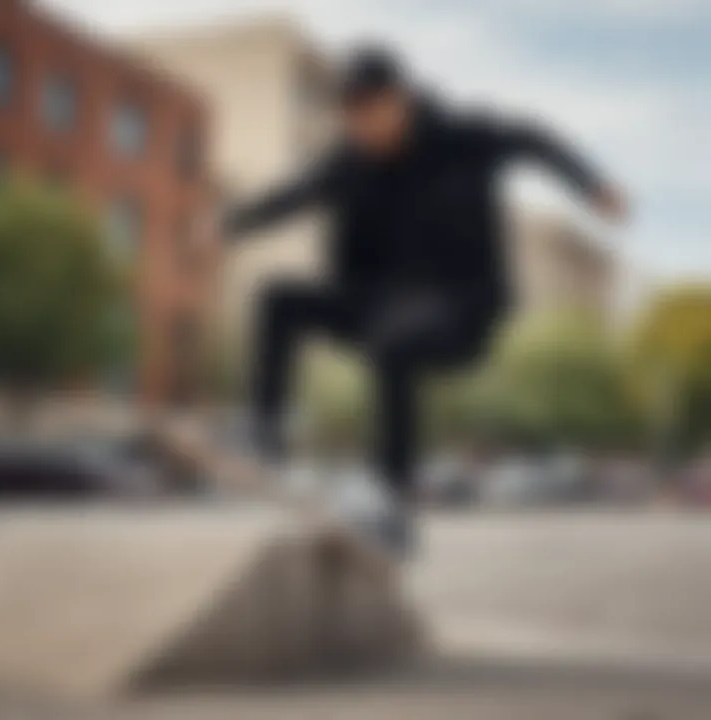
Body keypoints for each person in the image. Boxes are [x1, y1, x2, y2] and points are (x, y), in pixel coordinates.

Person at [223, 47, 628, 554]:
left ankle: (392, 498)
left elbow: (533, 140)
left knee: (395, 341)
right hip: (377, 302)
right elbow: (293, 196)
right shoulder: (349, 159)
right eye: (351, 120)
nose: (361, 132)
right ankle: (267, 428)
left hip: (463, 307)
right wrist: (227, 226)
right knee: (278, 298)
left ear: (401, 102)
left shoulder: (461, 138)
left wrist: (590, 185)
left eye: (369, 117)